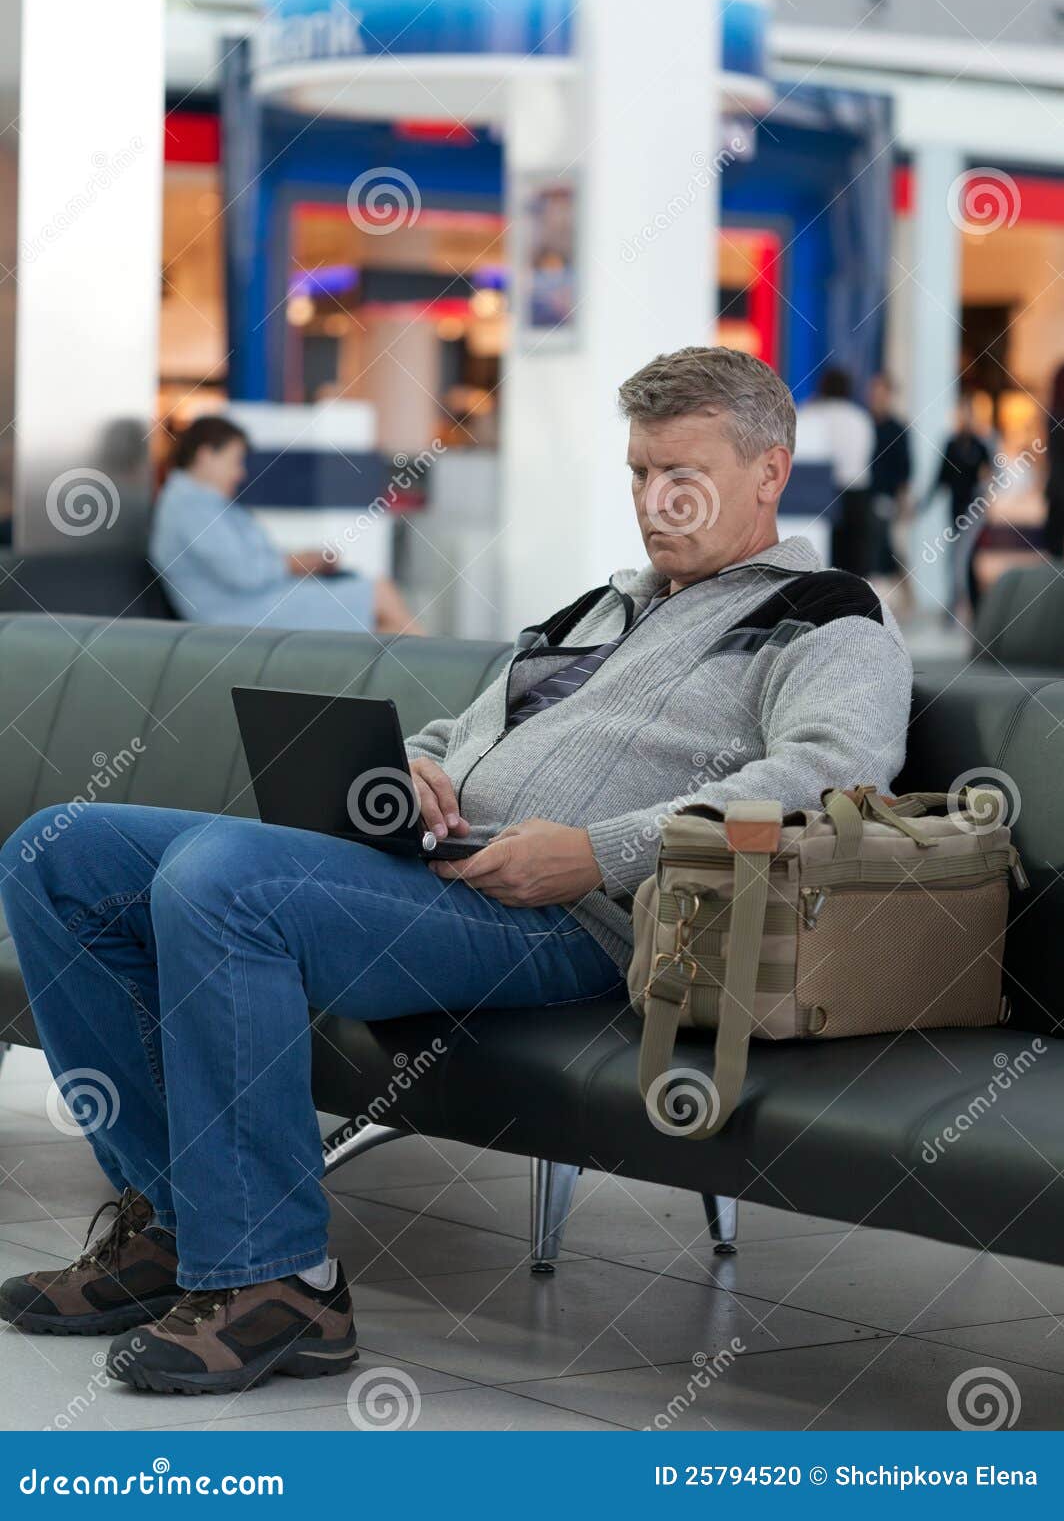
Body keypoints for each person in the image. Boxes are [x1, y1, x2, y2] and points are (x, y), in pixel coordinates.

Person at [0, 346, 913, 1395]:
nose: (652, 503)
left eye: (682, 476)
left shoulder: (828, 613)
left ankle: (279, 1283)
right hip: (440, 871)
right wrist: (422, 767)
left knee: (221, 880)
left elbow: (826, 777)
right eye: (637, 473)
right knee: (52, 852)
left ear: (768, 470)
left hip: (576, 922)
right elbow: (466, 727)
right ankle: (175, 1225)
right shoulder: (594, 609)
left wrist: (596, 854)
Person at [149, 415, 420, 635]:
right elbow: (243, 572)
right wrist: (296, 562)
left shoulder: (202, 504)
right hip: (243, 614)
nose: (240, 472)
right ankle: (444, 681)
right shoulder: (187, 508)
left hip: (257, 603)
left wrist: (302, 564)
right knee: (378, 593)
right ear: (206, 455)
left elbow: (248, 562)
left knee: (384, 624)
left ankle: (433, 684)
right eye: (234, 461)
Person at [796, 365, 876, 575]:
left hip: (818, 494)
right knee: (854, 559)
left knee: (821, 557)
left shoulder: (810, 413)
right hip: (856, 494)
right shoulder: (860, 418)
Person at [926, 399, 993, 618]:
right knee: (955, 559)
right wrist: (923, 505)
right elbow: (940, 478)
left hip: (973, 511)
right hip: (955, 511)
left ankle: (974, 605)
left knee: (966, 558)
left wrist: (986, 500)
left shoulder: (980, 445)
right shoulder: (951, 444)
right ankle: (955, 606)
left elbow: (991, 475)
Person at [867, 372, 913, 607]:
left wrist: (904, 501)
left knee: (883, 546)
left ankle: (905, 595)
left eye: (880, 392)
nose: (875, 397)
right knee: (879, 548)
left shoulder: (897, 429)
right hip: (866, 496)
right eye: (872, 392)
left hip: (886, 497)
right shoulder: (864, 423)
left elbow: (905, 469)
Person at [1044, 363, 1064, 560]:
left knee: (1056, 556)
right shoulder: (1057, 418)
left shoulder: (1054, 416)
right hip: (1060, 494)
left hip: (1057, 493)